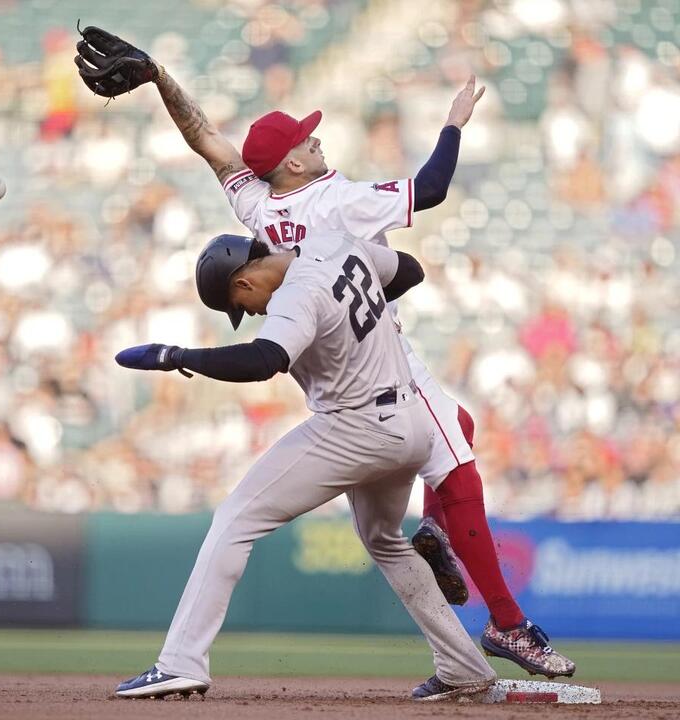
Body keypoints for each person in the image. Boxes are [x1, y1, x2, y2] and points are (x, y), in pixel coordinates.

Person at [75, 27, 575, 678]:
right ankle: (480, 643)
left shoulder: (259, 213)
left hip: (354, 391)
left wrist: (162, 81)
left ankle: (466, 588)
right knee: (424, 487)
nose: (318, 139)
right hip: (386, 358)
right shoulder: (337, 206)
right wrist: (453, 127)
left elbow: (208, 144)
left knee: (433, 461)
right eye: (306, 138)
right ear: (290, 164)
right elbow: (428, 198)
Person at [113, 233, 497, 701]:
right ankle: (462, 666)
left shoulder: (295, 294)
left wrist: (175, 357)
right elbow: (411, 270)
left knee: (236, 518)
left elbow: (263, 361)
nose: (248, 313)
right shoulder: (337, 244)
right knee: (383, 539)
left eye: (238, 301)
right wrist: (352, 314)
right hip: (412, 421)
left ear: (246, 276)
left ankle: (179, 663)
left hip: (358, 425)